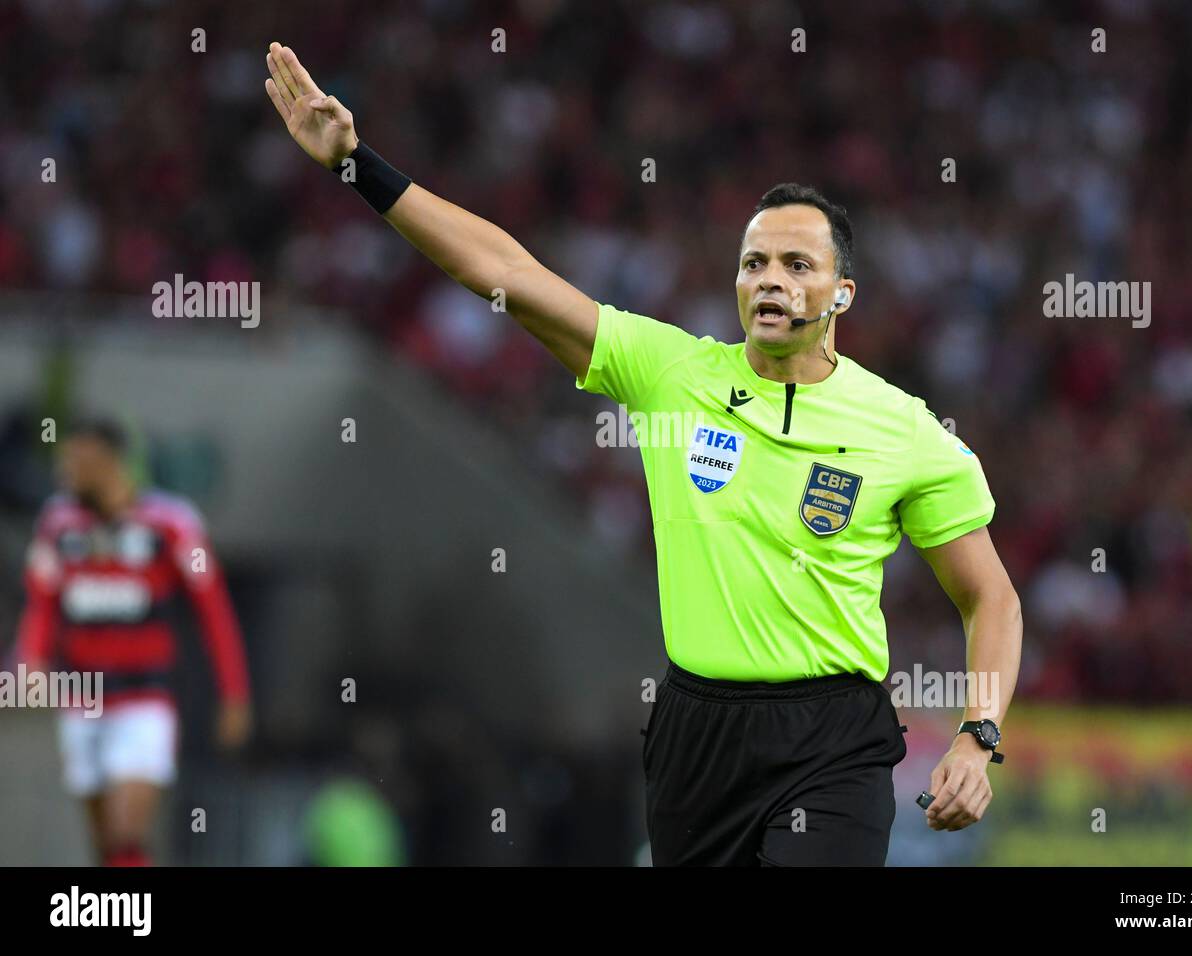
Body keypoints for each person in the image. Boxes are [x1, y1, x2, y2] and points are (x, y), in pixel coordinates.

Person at [264, 40, 1022, 865]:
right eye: (754, 263)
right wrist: (357, 168)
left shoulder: (903, 427)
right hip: (695, 737)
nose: (770, 279)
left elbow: (991, 599)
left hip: (831, 740)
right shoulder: (674, 373)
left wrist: (977, 738)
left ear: (842, 293)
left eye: (797, 264)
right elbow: (509, 272)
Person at [13, 418, 252, 866]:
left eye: (77, 461)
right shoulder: (59, 524)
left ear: (113, 464)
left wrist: (234, 692)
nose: (65, 471)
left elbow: (214, 612)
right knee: (105, 842)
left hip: (144, 700)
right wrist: (31, 661)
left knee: (126, 832)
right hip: (81, 700)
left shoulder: (172, 524)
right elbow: (41, 604)